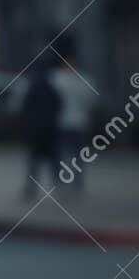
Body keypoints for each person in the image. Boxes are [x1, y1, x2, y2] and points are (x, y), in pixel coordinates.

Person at [51, 40, 96, 195]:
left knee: (75, 155)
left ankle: (75, 182)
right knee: (63, 155)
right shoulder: (59, 78)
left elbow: (90, 100)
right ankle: (65, 181)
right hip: (64, 123)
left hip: (75, 123)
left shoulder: (59, 79)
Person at [20, 65, 60, 198]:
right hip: (49, 131)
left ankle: (31, 188)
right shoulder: (52, 91)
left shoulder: (32, 90)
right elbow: (58, 107)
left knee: (34, 162)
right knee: (53, 161)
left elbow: (25, 109)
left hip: (36, 132)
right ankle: (59, 184)